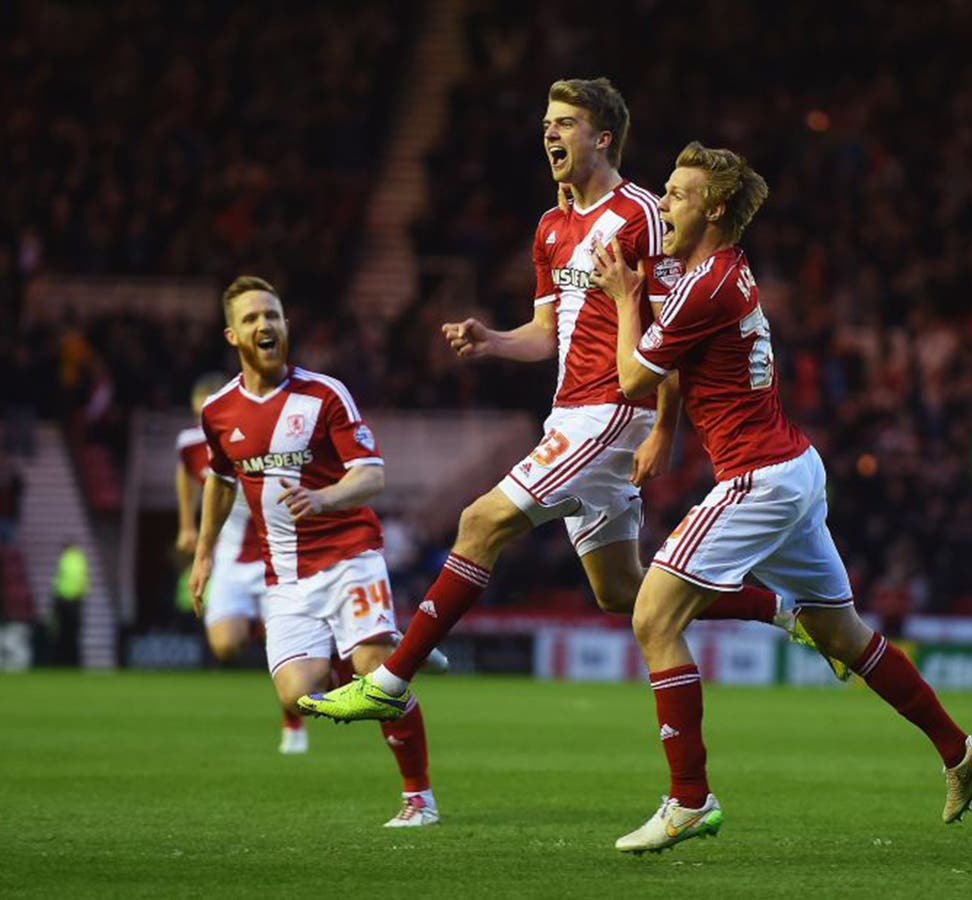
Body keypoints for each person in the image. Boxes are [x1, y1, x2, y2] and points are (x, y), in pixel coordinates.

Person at [298, 78, 809, 725]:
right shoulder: (551, 227)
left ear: (602, 139)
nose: (549, 133)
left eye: (564, 123)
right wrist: (491, 341)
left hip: (611, 414)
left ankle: (391, 678)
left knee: (480, 522)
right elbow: (544, 335)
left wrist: (661, 431)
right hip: (568, 412)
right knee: (620, 589)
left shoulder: (643, 216)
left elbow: (671, 328)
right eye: (547, 123)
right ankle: (783, 610)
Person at [588, 142, 972, 853]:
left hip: (759, 479)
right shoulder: (725, 272)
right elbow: (676, 359)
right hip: (797, 469)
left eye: (678, 193)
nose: (663, 203)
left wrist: (626, 299)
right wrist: (664, 425)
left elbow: (631, 378)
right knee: (844, 636)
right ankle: (959, 748)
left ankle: (690, 800)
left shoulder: (705, 285)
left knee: (652, 614)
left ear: (714, 209)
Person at [190, 276, 444, 827]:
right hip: (284, 576)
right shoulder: (218, 411)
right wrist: (204, 553)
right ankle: (382, 649)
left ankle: (418, 797)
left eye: (274, 316)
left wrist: (325, 497)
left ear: (286, 326)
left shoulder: (324, 394)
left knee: (377, 678)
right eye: (254, 318)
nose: (266, 326)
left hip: (351, 555)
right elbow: (219, 479)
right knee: (296, 696)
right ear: (232, 334)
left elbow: (372, 475)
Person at [177, 373, 305, 752]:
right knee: (224, 645)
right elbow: (185, 476)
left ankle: (292, 726)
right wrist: (187, 525)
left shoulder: (258, 432)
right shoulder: (190, 445)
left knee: (287, 666)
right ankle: (267, 629)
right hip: (230, 558)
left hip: (273, 556)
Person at [51, 539, 88, 666]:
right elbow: (83, 580)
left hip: (64, 599)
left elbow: (58, 580)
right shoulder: (80, 559)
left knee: (63, 634)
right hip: (76, 600)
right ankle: (73, 661)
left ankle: (61, 661)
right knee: (73, 634)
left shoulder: (65, 558)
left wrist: (55, 599)